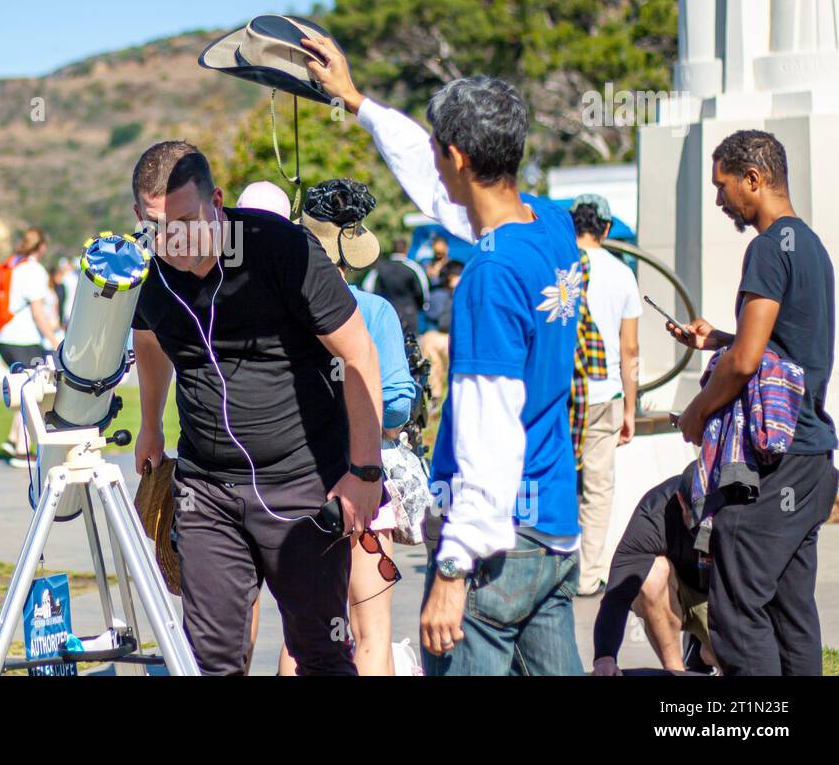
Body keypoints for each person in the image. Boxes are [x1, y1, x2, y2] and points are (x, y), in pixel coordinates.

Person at [305, 34, 583, 675]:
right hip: (553, 530)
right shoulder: (552, 227)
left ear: (455, 155)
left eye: (438, 149)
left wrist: (454, 568)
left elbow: (490, 428)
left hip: (493, 548)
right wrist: (357, 103)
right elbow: (438, 193)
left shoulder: (487, 275)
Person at [130, 141, 384, 676]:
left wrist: (364, 471)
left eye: (187, 220)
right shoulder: (146, 271)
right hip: (207, 490)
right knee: (210, 658)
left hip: (302, 484)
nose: (175, 239)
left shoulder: (280, 249)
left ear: (217, 201)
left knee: (319, 651)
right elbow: (149, 341)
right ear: (139, 218)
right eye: (159, 226)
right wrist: (149, 425)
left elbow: (359, 352)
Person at [670, 129, 837, 676]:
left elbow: (746, 364)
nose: (720, 201)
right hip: (813, 459)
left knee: (738, 609)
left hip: (778, 462)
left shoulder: (767, 248)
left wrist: (697, 413)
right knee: (792, 612)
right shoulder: (809, 246)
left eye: (723, 187)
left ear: (754, 179)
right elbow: (776, 346)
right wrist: (717, 337)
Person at [276, 178, 417, 676]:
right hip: (359, 487)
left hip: (288, 489)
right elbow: (396, 404)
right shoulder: (373, 311)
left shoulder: (279, 309)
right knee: (370, 633)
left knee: (299, 639)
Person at [569, 194, 641, 596]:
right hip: (604, 392)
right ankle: (586, 575)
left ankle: (553, 568)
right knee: (598, 487)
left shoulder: (556, 267)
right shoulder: (621, 273)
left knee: (556, 477)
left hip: (560, 391)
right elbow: (629, 349)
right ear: (607, 229)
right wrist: (630, 406)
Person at [591, 465, 716, 675]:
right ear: (681, 502)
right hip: (679, 594)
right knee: (652, 573)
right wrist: (605, 657)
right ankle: (675, 671)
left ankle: (704, 649)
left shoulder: (745, 509)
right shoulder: (654, 513)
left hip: (722, 597)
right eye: (697, 523)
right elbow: (618, 594)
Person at [0, 228, 61, 467]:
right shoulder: (34, 270)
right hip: (23, 339)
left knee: (24, 389)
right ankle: (22, 450)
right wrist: (54, 340)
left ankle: (14, 439)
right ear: (41, 247)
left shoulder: (14, 266)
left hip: (6, 337)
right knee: (33, 393)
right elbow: (38, 312)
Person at [364, 238, 429, 337]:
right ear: (406, 249)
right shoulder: (413, 267)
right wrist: (422, 306)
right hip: (409, 313)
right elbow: (422, 291)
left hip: (387, 312)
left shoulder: (380, 268)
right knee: (410, 346)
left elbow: (368, 287)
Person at [418, 259, 463, 402]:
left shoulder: (440, 293)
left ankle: (438, 396)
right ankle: (436, 397)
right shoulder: (440, 294)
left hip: (450, 336)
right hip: (441, 335)